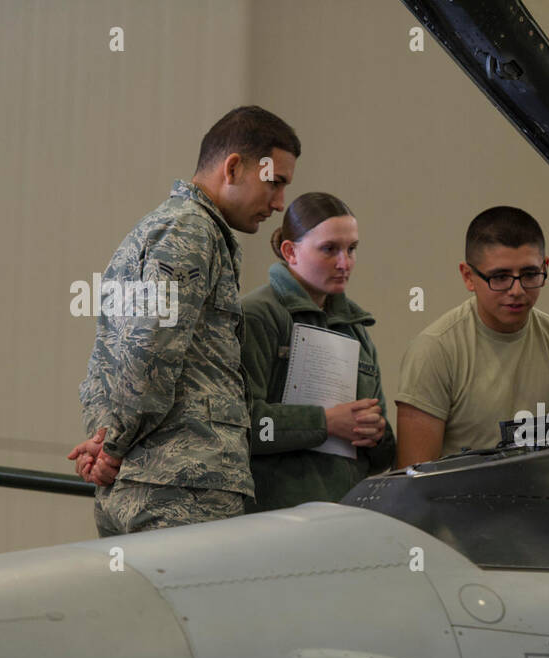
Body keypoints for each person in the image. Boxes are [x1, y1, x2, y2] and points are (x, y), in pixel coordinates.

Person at [68, 105, 300, 535]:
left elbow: (107, 360)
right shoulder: (190, 232)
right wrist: (113, 446)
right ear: (233, 167)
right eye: (275, 182)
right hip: (183, 489)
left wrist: (104, 441)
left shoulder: (154, 229)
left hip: (143, 484)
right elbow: (149, 353)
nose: (280, 202)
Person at [394, 206, 549, 466]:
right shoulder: (435, 350)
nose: (517, 290)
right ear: (468, 276)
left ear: (545, 267)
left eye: (530, 274)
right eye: (499, 277)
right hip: (457, 505)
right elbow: (414, 479)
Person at [240, 192, 394, 510]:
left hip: (344, 513)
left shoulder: (357, 328)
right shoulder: (258, 315)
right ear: (290, 251)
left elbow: (383, 457)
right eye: (329, 249)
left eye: (352, 249)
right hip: (273, 517)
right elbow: (241, 427)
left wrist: (376, 433)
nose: (344, 263)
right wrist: (324, 422)